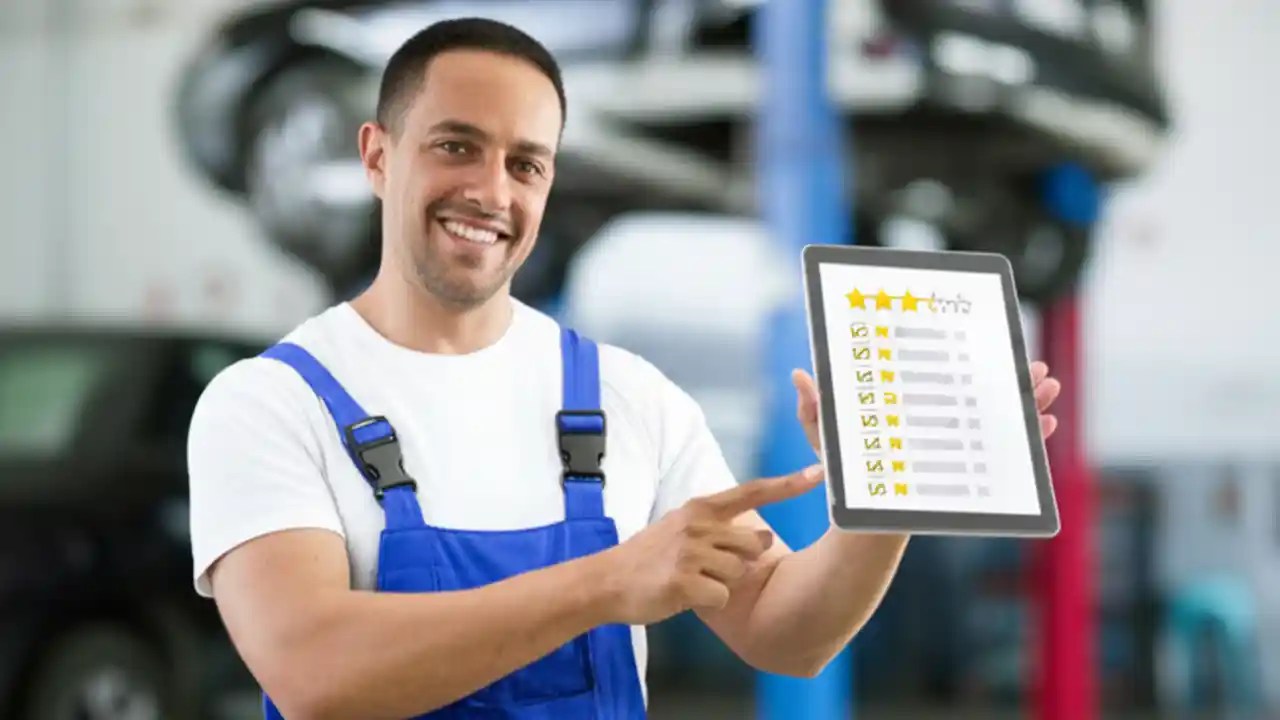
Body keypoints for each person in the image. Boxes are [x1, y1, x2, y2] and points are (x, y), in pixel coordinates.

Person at [186, 17, 1063, 720]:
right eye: (456, 146)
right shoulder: (268, 403)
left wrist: (889, 489)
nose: (493, 191)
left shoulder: (624, 398)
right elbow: (315, 672)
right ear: (378, 155)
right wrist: (609, 581)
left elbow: (786, 635)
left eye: (525, 163)